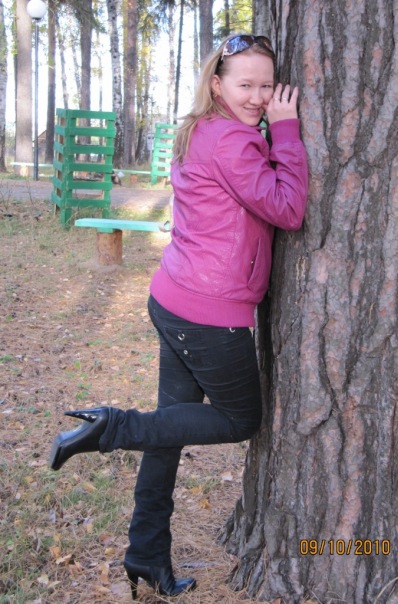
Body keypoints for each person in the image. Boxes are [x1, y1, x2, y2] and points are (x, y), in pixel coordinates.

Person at [49, 33, 309, 600]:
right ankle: (112, 427)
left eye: (268, 86)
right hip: (208, 313)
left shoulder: (202, 129)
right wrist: (287, 131)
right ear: (216, 83)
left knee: (170, 428)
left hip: (173, 296)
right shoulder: (233, 140)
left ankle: (146, 551)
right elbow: (288, 208)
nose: (259, 97)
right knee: (240, 420)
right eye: (246, 85)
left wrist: (267, 134)